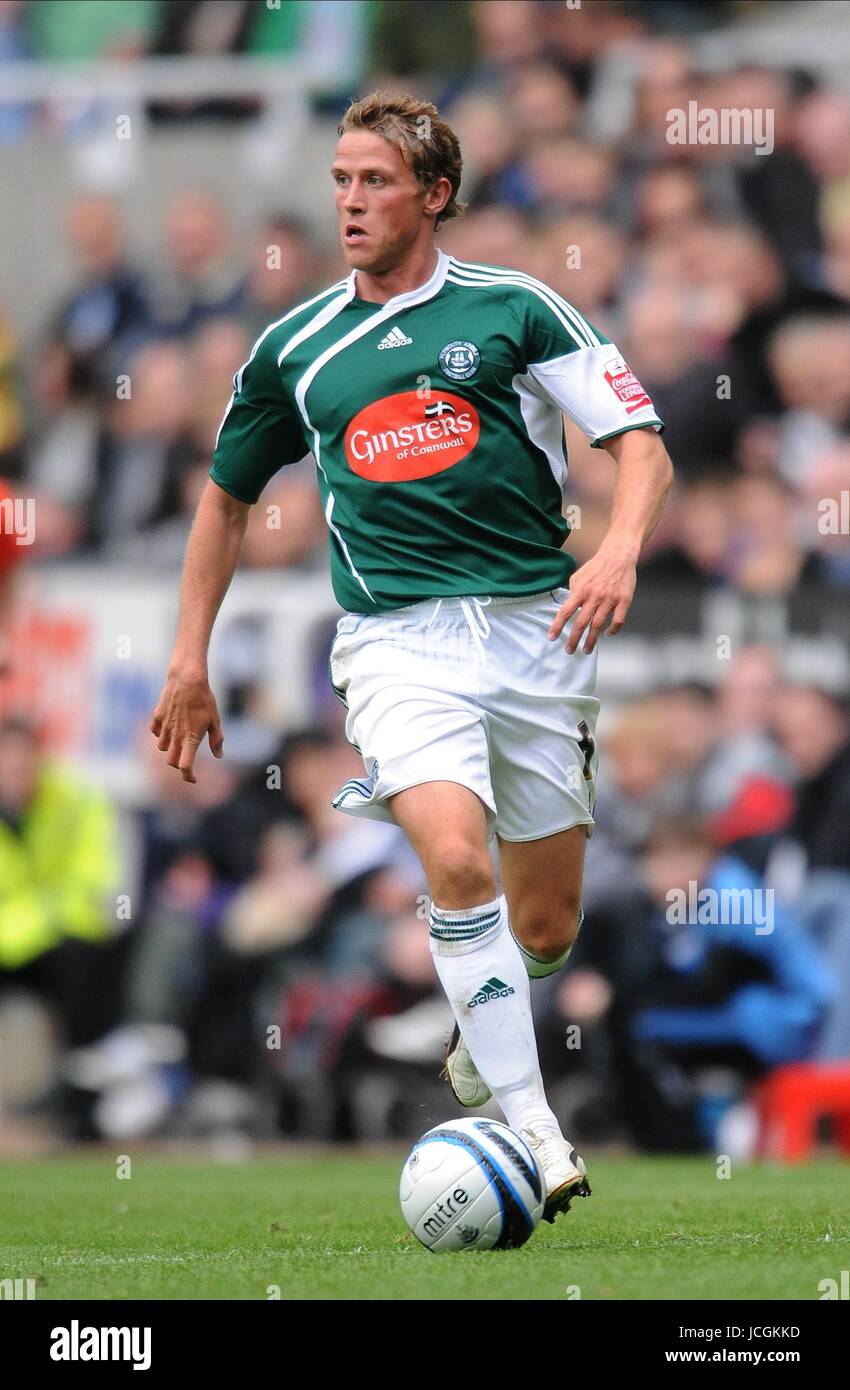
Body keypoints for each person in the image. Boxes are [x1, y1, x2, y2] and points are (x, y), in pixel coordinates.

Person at [150, 90, 673, 1222]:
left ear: (434, 194)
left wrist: (618, 550)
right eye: (340, 179)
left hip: (541, 630)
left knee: (543, 926)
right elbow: (224, 502)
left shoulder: (517, 309)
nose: (350, 200)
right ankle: (532, 1127)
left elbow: (638, 443)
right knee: (451, 856)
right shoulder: (295, 346)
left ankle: (483, 1044)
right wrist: (187, 657)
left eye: (375, 180)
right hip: (397, 641)